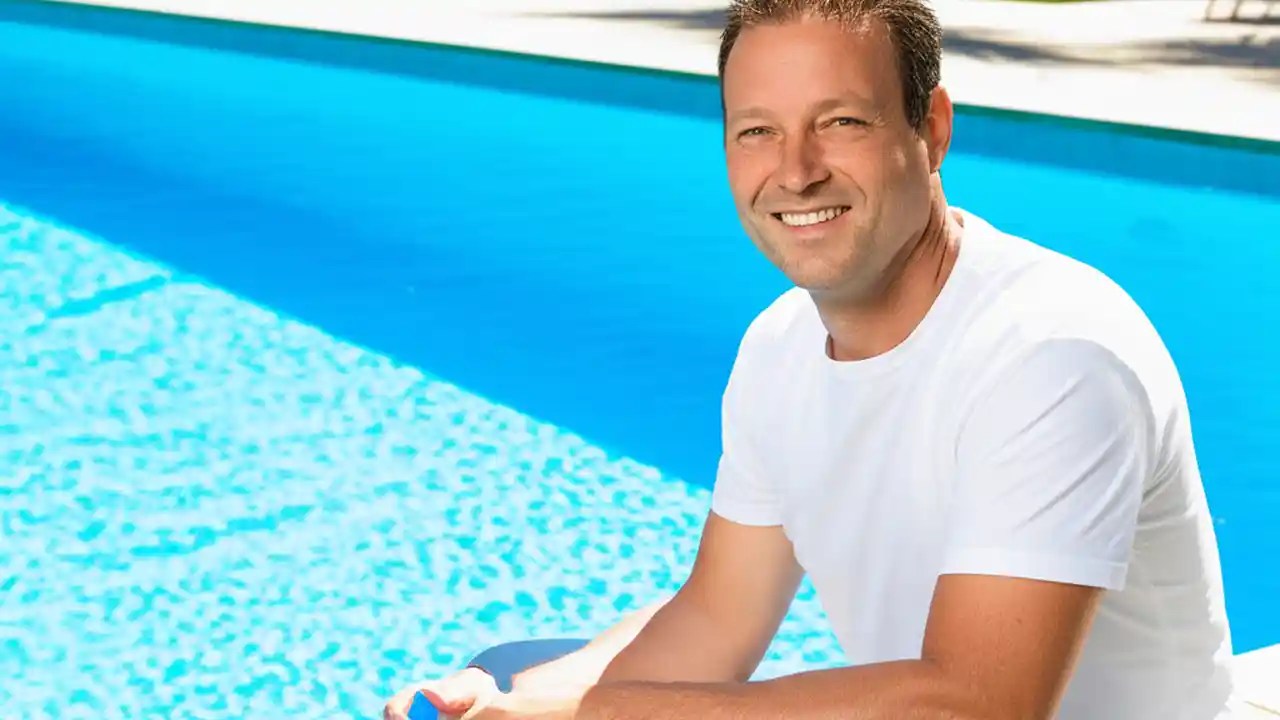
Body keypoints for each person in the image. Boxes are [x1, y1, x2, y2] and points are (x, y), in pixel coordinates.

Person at [385, 0, 1238, 717]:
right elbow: (720, 613)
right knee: (513, 662)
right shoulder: (781, 346)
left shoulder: (1050, 351)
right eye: (758, 130)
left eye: (840, 122)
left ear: (929, 128)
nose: (795, 172)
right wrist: (528, 703)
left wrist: (622, 710)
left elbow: (976, 703)